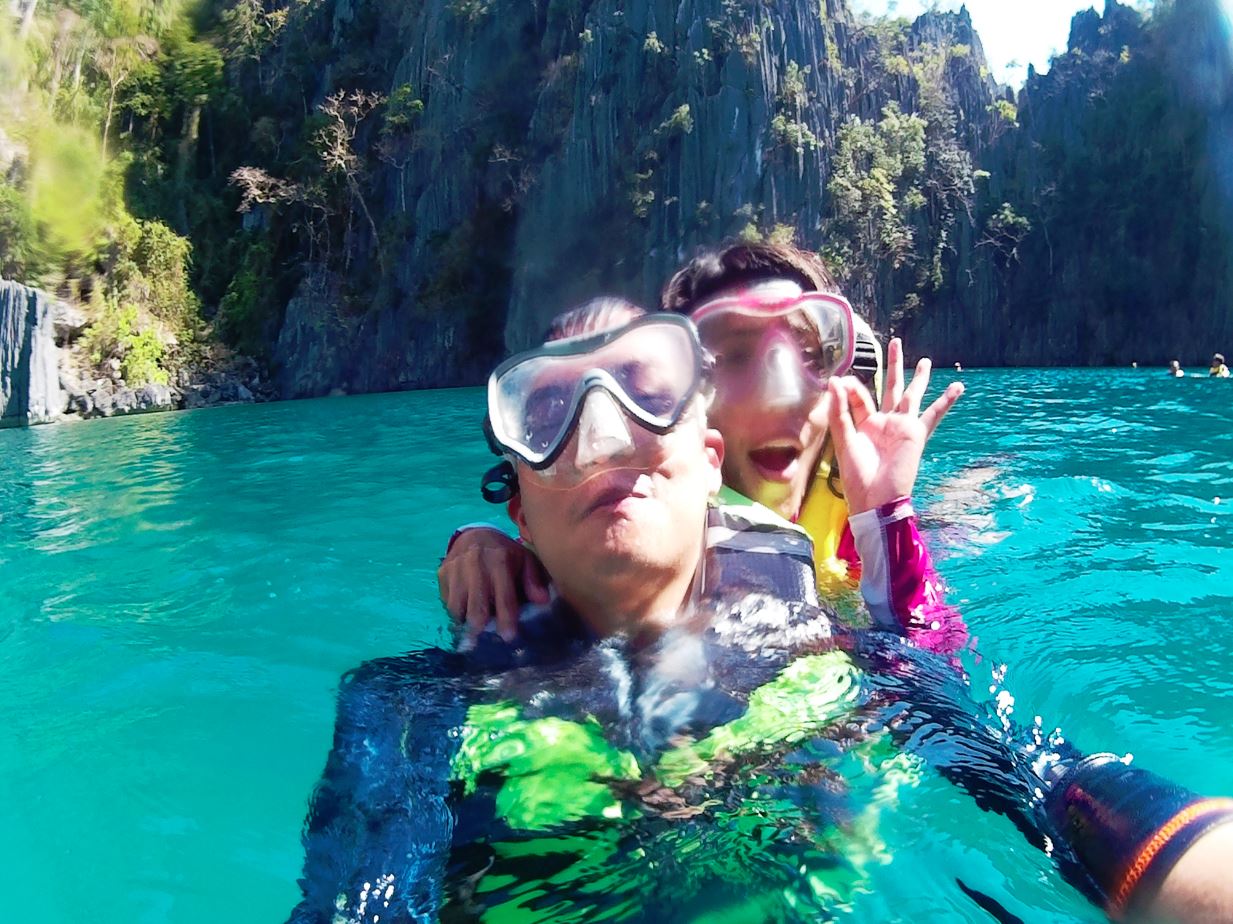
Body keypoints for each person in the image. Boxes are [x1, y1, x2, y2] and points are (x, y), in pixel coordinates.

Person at [292, 306, 1233, 923]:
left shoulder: (816, 636)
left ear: (710, 462)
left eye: (644, 390)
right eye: (549, 410)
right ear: (519, 510)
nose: (602, 424)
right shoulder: (416, 708)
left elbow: (1021, 767)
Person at [440, 242, 967, 655]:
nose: (780, 389)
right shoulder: (646, 498)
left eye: (808, 352)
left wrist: (889, 521)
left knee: (962, 514)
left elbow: (931, 661)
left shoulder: (860, 506)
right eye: (735, 356)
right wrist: (479, 543)